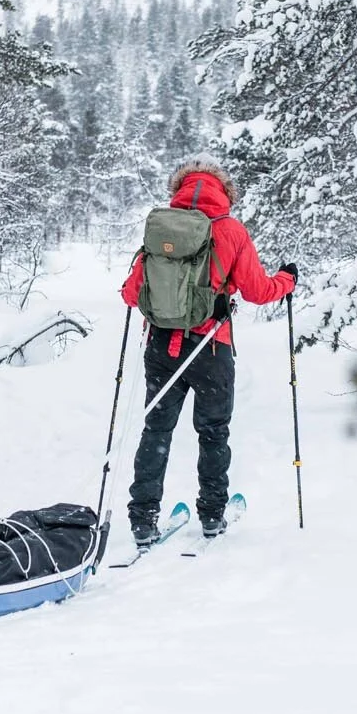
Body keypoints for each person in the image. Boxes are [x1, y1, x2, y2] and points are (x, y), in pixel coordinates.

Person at [121, 156, 297, 545]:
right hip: (211, 348)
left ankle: (143, 519)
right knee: (214, 433)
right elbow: (257, 291)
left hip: (161, 348)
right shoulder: (231, 230)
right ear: (224, 191)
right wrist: (287, 280)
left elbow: (131, 293)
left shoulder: (161, 227)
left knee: (156, 431)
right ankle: (213, 514)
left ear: (178, 187)